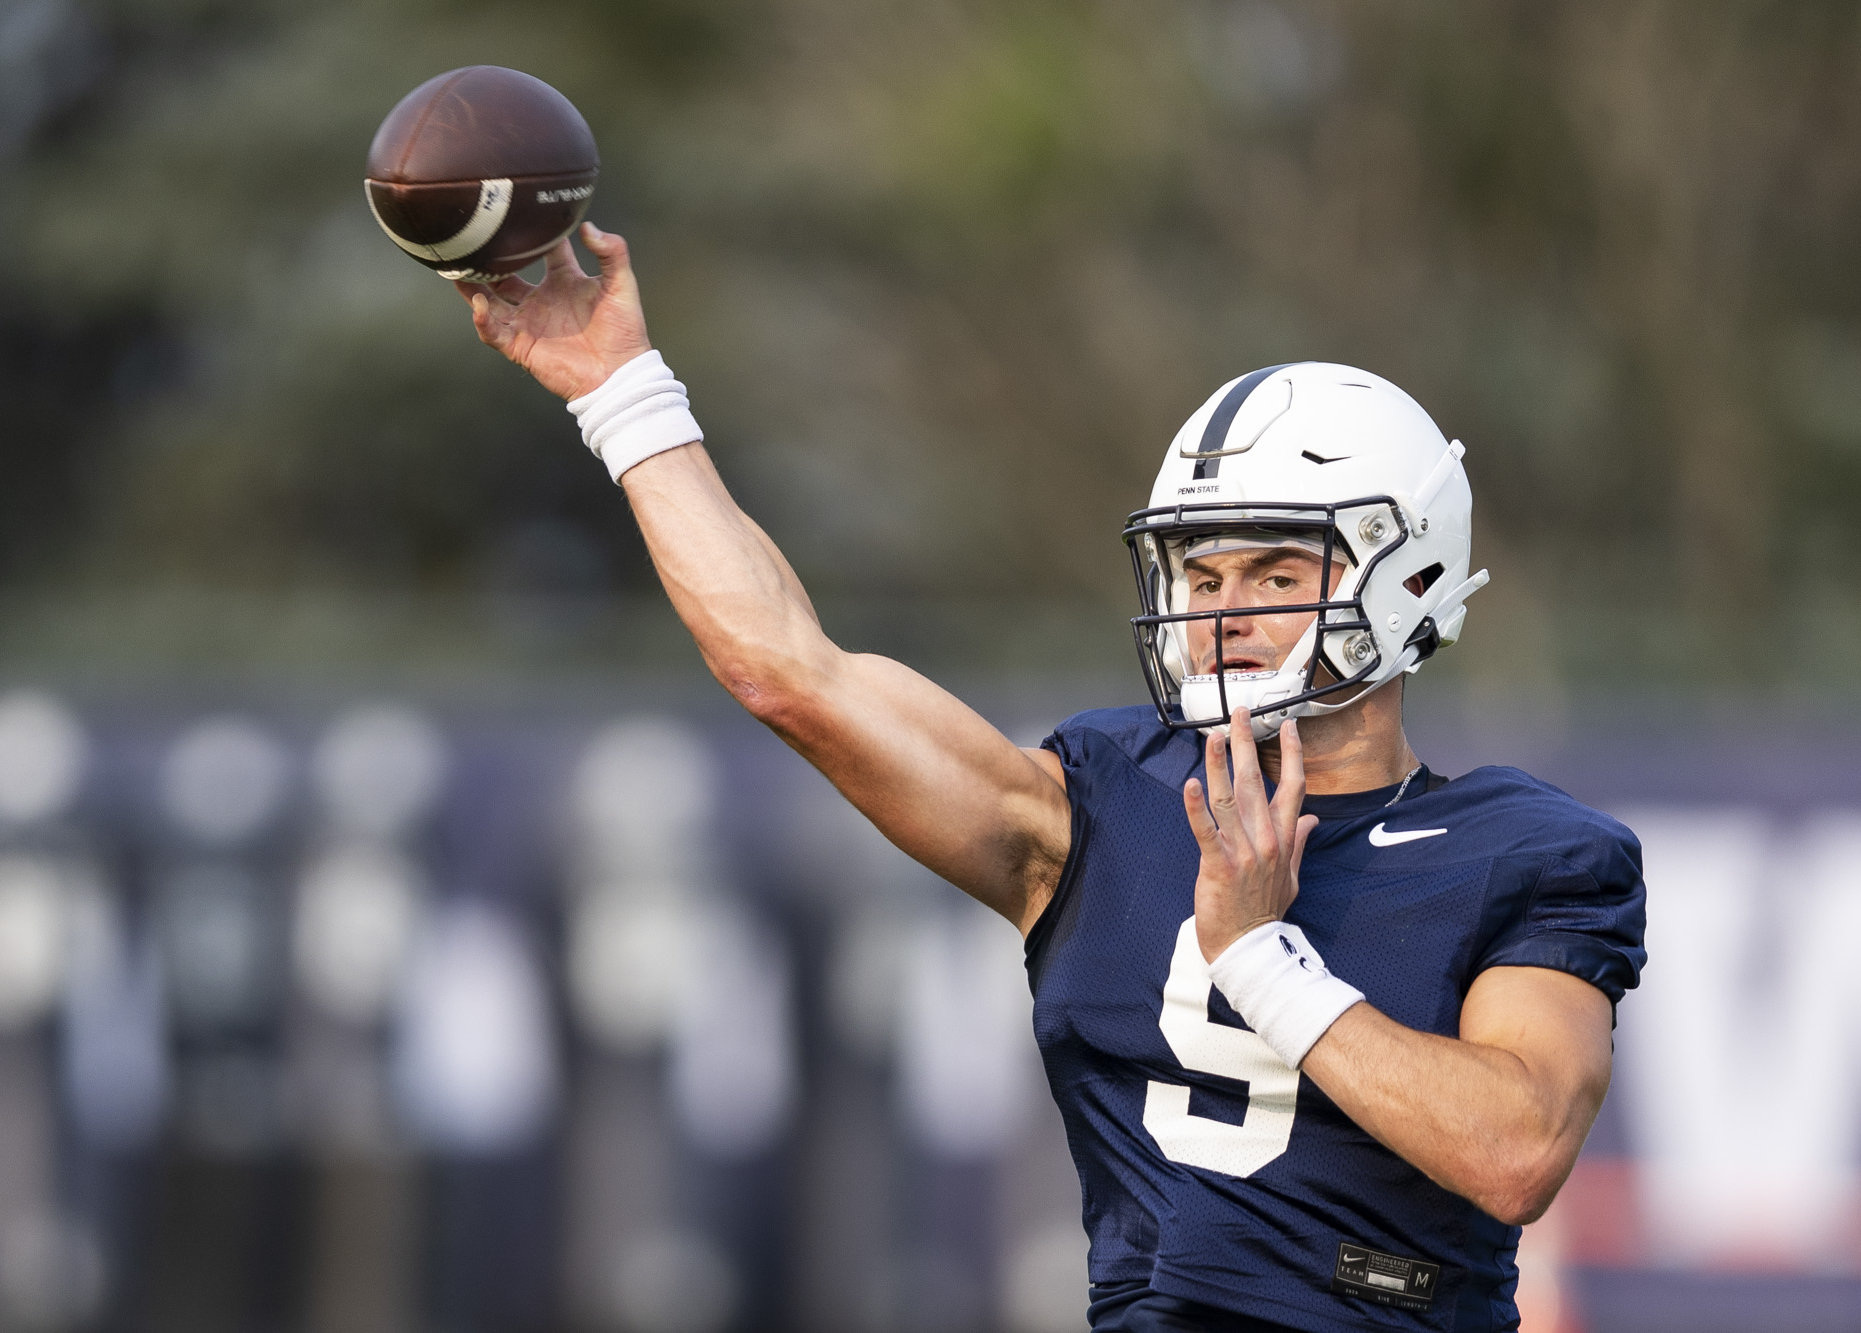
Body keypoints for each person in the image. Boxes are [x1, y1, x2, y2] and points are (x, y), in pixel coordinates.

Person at [454, 225, 1646, 1333]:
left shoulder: (1527, 849)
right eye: (1200, 572)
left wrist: (1261, 962)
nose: (1222, 614)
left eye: (1275, 572)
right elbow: (790, 674)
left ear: (1412, 578)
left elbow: (1514, 1149)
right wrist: (621, 389)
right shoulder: (1096, 800)